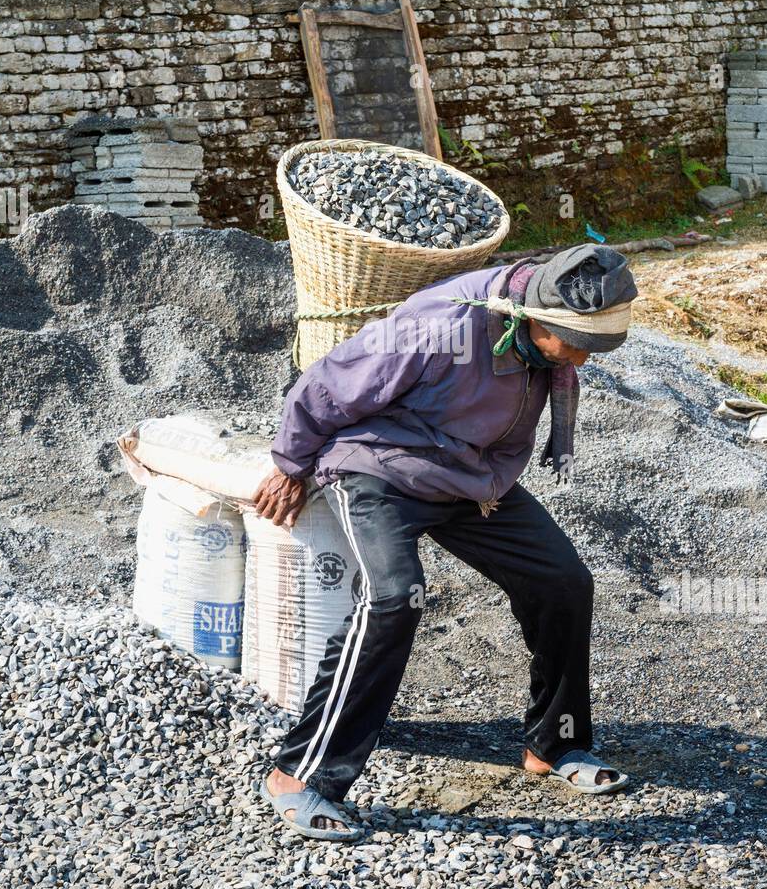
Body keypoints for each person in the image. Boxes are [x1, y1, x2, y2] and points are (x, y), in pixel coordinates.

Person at [254, 244, 638, 841]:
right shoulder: (441, 327)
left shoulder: (539, 333)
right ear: (532, 315)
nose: (584, 361)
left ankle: (555, 745)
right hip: (382, 466)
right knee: (393, 599)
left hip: (474, 477)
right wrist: (290, 463)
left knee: (562, 581)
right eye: (577, 344)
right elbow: (330, 383)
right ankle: (302, 775)